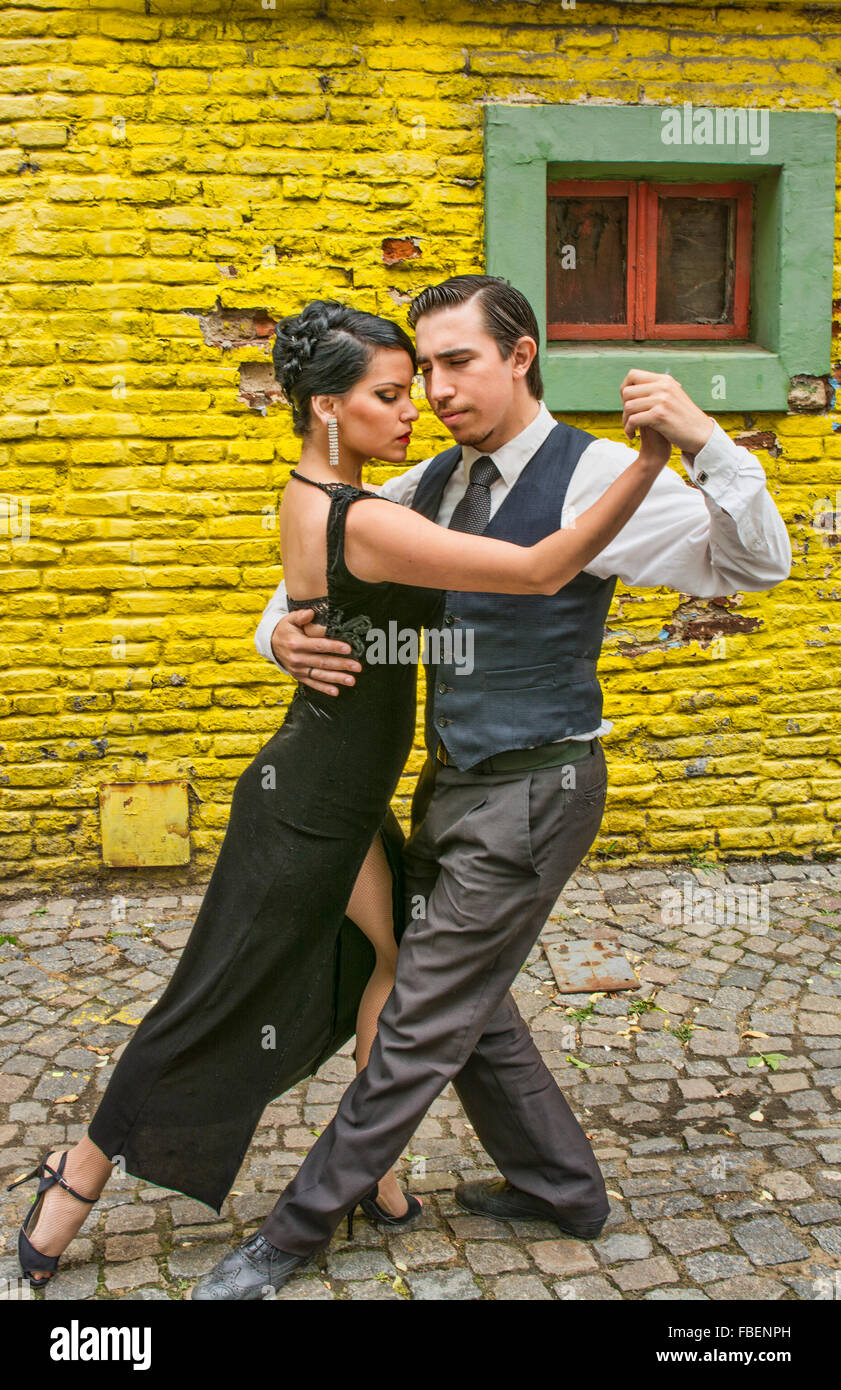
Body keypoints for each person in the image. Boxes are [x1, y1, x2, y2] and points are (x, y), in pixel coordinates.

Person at [5, 298, 673, 1290]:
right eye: (390, 394)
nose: (420, 408)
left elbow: (324, 607)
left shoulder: (328, 496)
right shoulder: (363, 521)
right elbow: (537, 569)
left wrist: (282, 631)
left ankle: (387, 1180)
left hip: (347, 791)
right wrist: (651, 462)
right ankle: (77, 1178)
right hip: (311, 799)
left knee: (389, 963)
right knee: (215, 993)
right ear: (326, 408)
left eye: (421, 388)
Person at [192, 274, 792, 1299]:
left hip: (539, 783)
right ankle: (565, 1188)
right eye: (421, 368)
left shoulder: (601, 471)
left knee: (424, 1008)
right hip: (452, 777)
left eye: (458, 361)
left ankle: (291, 1233)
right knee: (472, 1004)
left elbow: (755, 561)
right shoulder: (429, 481)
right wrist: (280, 636)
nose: (434, 388)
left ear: (520, 355)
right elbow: (315, 563)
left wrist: (704, 442)